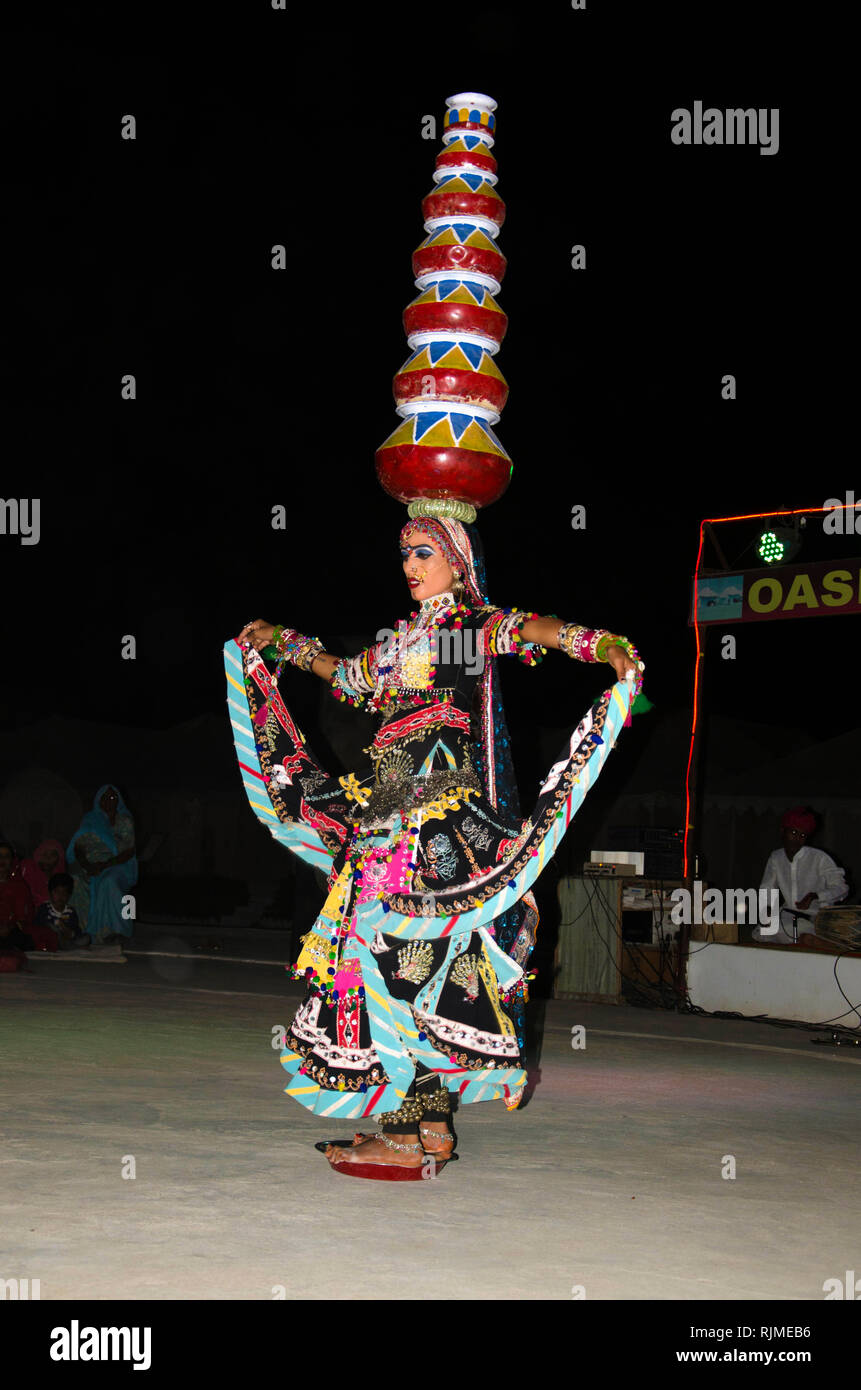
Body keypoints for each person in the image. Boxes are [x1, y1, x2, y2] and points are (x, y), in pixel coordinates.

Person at [225, 515, 644, 1178]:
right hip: (388, 818)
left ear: (457, 560)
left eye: (423, 553)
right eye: (403, 555)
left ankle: (409, 1130)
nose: (409, 566)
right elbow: (347, 677)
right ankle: (427, 1125)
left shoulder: (459, 630)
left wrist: (594, 642)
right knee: (396, 965)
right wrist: (285, 643)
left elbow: (524, 629)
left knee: (389, 964)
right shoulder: (406, 641)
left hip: (436, 821)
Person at [753, 806, 849, 945]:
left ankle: (823, 941)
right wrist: (767, 909)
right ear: (782, 831)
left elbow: (842, 888)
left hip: (817, 917)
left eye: (802, 835)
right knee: (762, 933)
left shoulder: (819, 858)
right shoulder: (776, 857)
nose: (796, 839)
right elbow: (767, 888)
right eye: (793, 832)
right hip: (787, 916)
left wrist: (816, 896)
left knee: (804, 937)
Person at [66, 785, 138, 948]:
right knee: (76, 880)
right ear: (99, 800)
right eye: (105, 798)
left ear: (118, 801)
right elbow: (79, 846)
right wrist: (87, 866)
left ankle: (116, 931)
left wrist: (105, 865)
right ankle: (82, 931)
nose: (109, 802)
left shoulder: (124, 821)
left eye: (113, 798)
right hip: (90, 864)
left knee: (109, 881)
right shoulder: (90, 819)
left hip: (118, 864)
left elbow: (129, 851)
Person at [33, 871, 91, 951]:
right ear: (50, 893)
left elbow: (75, 928)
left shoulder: (70, 911)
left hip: (68, 938)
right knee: (51, 930)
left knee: (86, 938)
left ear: (69, 895)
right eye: (57, 892)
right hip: (50, 939)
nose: (61, 896)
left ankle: (69, 945)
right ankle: (66, 946)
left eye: (64, 893)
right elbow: (38, 925)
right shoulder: (44, 908)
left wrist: (68, 931)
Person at [0, 840, 36, 951]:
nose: (2, 860)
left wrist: (9, 927)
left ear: (12, 861)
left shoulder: (19, 886)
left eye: (6, 856)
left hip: (11, 930)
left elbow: (23, 916)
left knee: (25, 940)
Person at [21, 839, 67, 908]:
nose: (48, 858)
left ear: (59, 859)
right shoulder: (28, 868)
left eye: (53, 855)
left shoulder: (61, 878)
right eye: (44, 854)